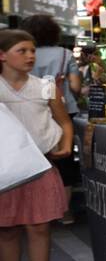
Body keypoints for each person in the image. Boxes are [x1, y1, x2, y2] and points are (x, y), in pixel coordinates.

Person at [0, 30, 74, 261]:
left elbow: (64, 122)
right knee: (6, 230)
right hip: (5, 170)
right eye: (22, 51)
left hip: (40, 165)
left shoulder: (45, 87)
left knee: (40, 227)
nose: (30, 56)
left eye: (32, 50)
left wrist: (66, 144)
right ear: (2, 55)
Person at [22, 15, 81, 223]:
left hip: (30, 110)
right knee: (64, 161)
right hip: (63, 109)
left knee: (32, 158)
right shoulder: (65, 54)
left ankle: (35, 211)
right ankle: (64, 212)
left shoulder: (22, 55)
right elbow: (75, 86)